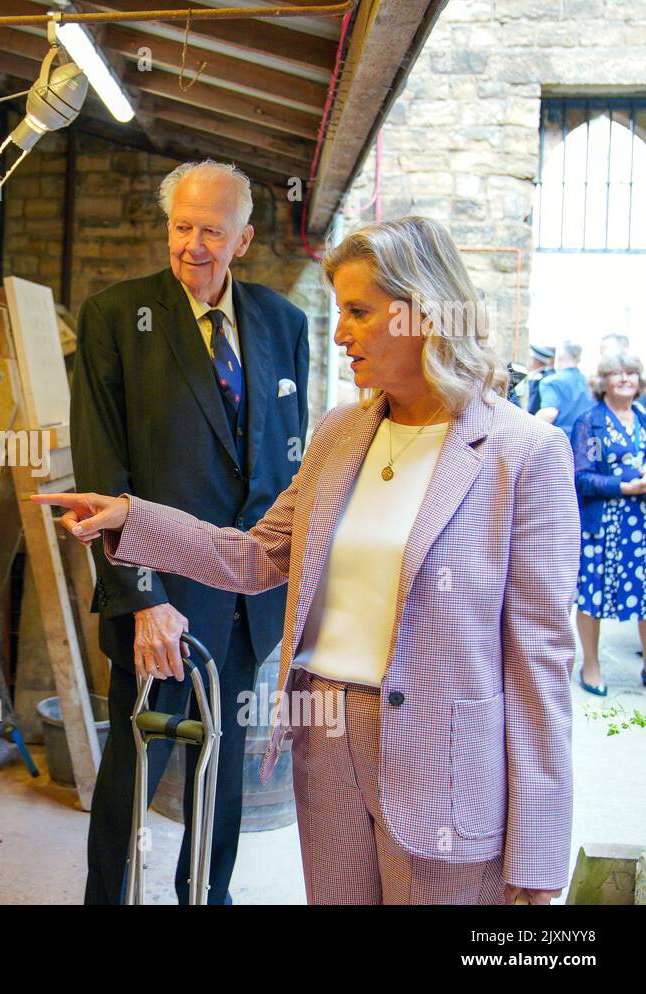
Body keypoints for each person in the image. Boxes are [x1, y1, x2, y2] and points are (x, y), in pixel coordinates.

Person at [38, 216, 578, 905]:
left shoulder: (522, 454)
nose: (338, 333)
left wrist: (537, 852)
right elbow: (257, 556)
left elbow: (539, 665)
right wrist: (133, 518)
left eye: (358, 311)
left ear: (423, 313)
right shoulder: (341, 433)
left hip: (446, 767)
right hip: (327, 744)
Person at [70, 158, 309, 905]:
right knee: (133, 772)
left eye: (212, 230)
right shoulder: (118, 318)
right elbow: (102, 472)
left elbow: (288, 464)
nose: (193, 246)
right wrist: (143, 599)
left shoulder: (284, 322)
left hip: (248, 602)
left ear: (243, 240)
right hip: (161, 603)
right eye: (181, 227)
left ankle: (206, 894)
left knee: (224, 766)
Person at [570, 352, 646, 694]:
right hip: (603, 526)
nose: (626, 378)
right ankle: (591, 665)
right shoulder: (592, 424)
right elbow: (582, 476)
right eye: (618, 373)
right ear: (604, 382)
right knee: (593, 594)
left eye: (631, 373)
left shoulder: (643, 419)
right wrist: (622, 486)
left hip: (641, 524)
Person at [536, 341, 594, 441]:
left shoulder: (551, 382)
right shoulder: (590, 382)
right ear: (578, 359)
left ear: (559, 358)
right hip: (588, 442)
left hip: (562, 443)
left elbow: (549, 413)